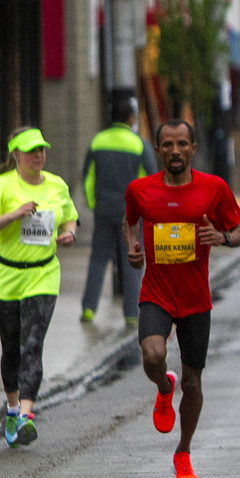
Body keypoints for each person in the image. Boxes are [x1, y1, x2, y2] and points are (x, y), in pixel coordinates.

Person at [125, 120, 240, 478]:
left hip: (196, 299)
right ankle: (164, 387)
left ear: (193, 148)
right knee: (152, 355)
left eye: (181, 144)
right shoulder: (140, 189)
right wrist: (134, 248)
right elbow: (130, 222)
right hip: (156, 293)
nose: (174, 151)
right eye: (167, 145)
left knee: (193, 383)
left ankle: (184, 452)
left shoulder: (214, 188)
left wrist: (222, 237)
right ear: (158, 150)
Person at [0, 127, 79, 447]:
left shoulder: (57, 185)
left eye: (42, 149)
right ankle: (12, 407)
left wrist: (69, 233)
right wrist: (15, 214)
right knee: (12, 349)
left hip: (44, 274)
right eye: (32, 150)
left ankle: (26, 416)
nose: (39, 155)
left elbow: (70, 218)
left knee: (32, 344)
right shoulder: (1, 186)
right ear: (16, 155)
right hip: (7, 275)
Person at [80, 98, 157, 327]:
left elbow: (87, 178)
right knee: (132, 261)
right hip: (131, 215)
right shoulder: (139, 145)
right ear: (131, 118)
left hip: (103, 210)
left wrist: (95, 204)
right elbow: (149, 181)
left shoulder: (97, 142)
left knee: (97, 259)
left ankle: (88, 309)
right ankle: (132, 313)